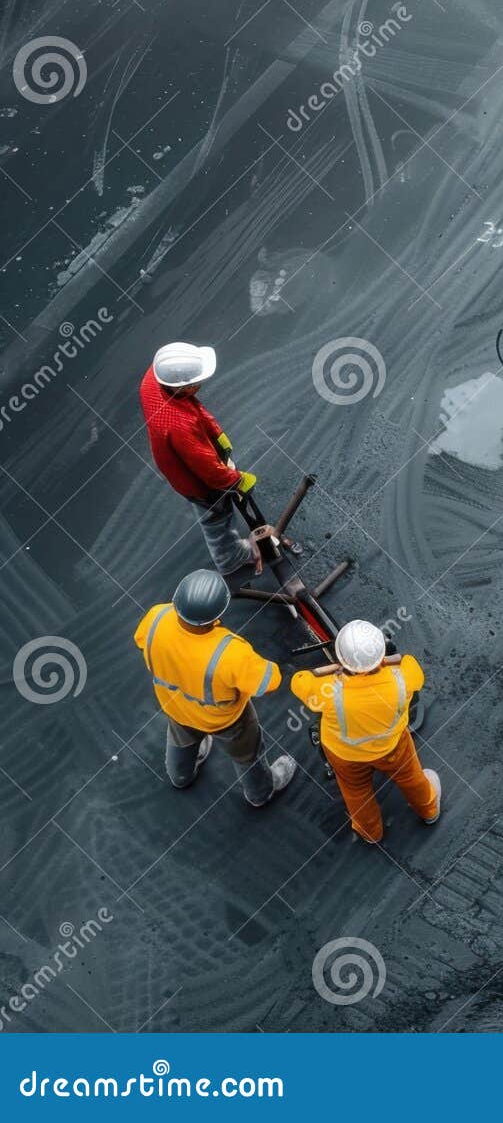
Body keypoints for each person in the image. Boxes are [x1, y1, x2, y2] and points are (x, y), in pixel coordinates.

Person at [134, 569, 297, 806]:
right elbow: (270, 683)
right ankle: (260, 793)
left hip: (176, 707)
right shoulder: (232, 653)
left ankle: (180, 776)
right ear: (217, 614)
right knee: (247, 756)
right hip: (227, 722)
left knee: (180, 741)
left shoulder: (156, 616)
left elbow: (141, 641)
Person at [291, 620, 439, 844]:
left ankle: (370, 832)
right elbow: (410, 663)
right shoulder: (403, 676)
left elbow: (298, 681)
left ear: (341, 660)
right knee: (411, 777)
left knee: (355, 792)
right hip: (392, 747)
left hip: (345, 755)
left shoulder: (325, 690)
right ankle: (428, 810)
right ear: (380, 655)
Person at [140, 342, 259, 574]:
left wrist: (216, 433)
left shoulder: (155, 377)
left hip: (178, 453)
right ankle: (230, 558)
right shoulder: (179, 425)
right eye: (195, 383)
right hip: (193, 480)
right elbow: (210, 473)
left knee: (219, 496)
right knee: (216, 514)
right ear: (182, 388)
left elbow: (193, 407)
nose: (200, 385)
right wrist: (235, 481)